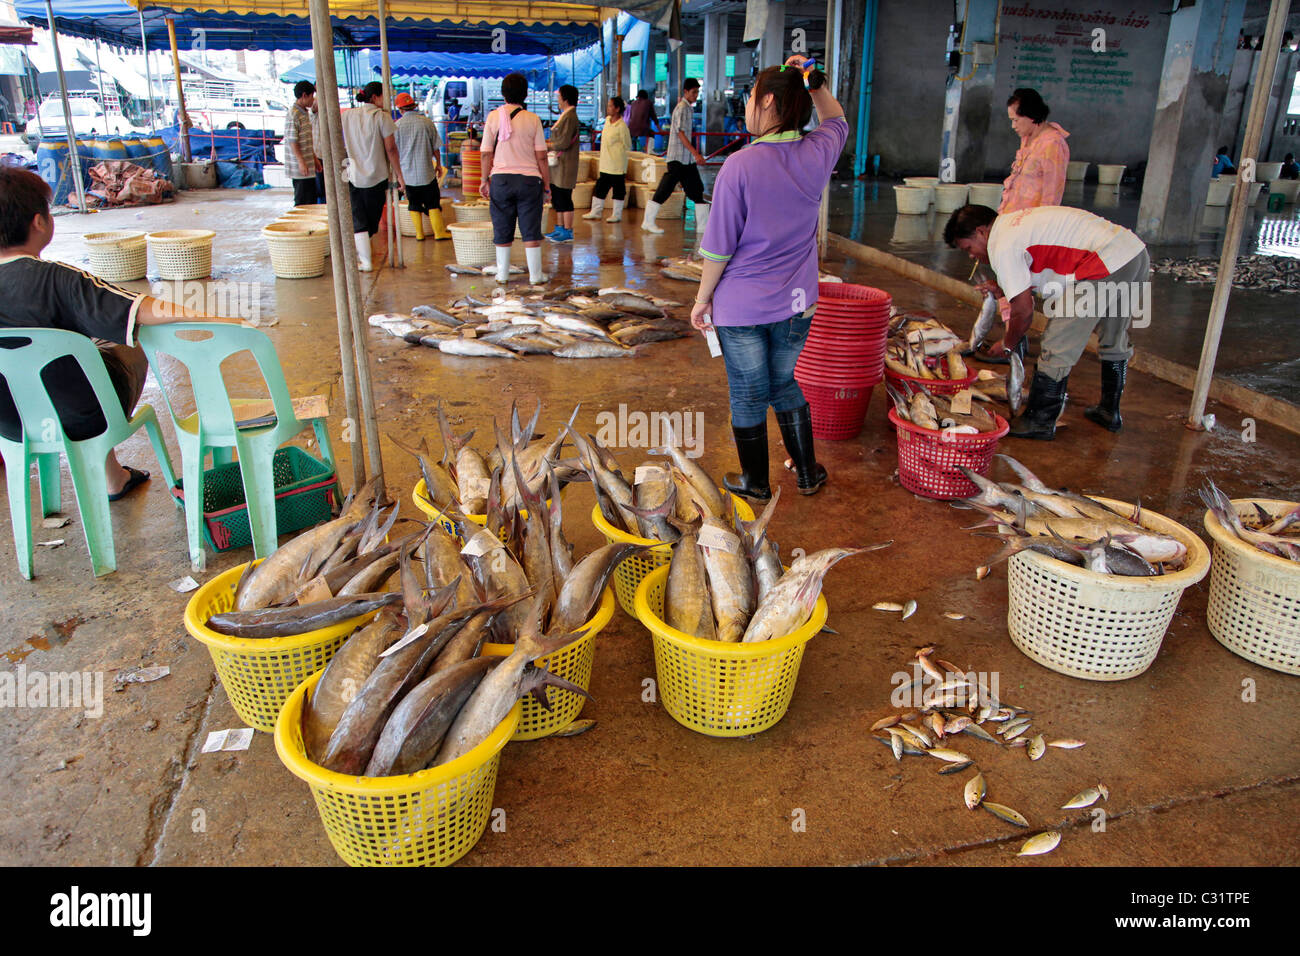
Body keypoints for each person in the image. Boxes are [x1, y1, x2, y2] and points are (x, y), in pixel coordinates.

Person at [0, 168, 238, 498]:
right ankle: (111, 473)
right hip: (84, 420)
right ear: (40, 222)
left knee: (70, 350)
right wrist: (214, 318)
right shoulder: (59, 279)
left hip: (10, 426)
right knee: (127, 340)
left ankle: (114, 475)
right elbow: (139, 308)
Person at [690, 56, 848, 499]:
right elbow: (836, 118)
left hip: (742, 308)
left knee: (747, 393)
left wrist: (703, 299)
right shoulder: (818, 151)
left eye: (751, 98)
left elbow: (719, 248)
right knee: (781, 382)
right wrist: (812, 78)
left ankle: (756, 483)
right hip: (799, 303)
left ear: (770, 102)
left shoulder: (740, 165)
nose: (747, 106)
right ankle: (808, 472)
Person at [943, 203, 1150, 440]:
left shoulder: (1002, 243)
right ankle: (1108, 411)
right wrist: (1002, 288)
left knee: (1058, 342)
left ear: (981, 232)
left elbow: (1023, 310)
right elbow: (1034, 274)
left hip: (1103, 262)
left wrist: (1009, 344)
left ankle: (1040, 419)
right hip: (1134, 253)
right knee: (1114, 337)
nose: (971, 256)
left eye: (968, 248)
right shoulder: (1015, 225)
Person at [479, 72, 550, 285]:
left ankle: (502, 274)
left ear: (503, 93)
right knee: (530, 228)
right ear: (526, 94)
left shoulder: (493, 117)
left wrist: (484, 179)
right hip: (529, 181)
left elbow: (485, 153)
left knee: (502, 226)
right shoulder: (533, 119)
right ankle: (536, 276)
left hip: (500, 180)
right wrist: (547, 185)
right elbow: (542, 157)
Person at [341, 81, 405, 272]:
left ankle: (365, 260)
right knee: (371, 219)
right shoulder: (382, 117)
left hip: (352, 174)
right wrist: (400, 177)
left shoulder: (348, 115)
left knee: (358, 217)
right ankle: (366, 258)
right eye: (385, 95)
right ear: (376, 97)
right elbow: (391, 149)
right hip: (376, 176)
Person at [643, 78, 709, 237]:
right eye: (693, 92)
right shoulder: (682, 109)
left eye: (697, 92)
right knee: (665, 188)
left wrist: (692, 155)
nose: (696, 95)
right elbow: (680, 133)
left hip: (686, 160)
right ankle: (648, 220)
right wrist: (696, 153)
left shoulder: (688, 109)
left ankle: (703, 228)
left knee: (696, 191)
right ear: (685, 92)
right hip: (677, 158)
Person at [999, 88, 1069, 214]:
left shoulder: (1053, 143)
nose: (1013, 126)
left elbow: (1052, 193)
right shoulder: (1027, 137)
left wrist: (1041, 223)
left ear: (1030, 116)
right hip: (1013, 215)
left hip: (1031, 219)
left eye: (1015, 120)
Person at [394, 92, 449, 241]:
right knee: (432, 202)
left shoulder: (396, 126)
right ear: (414, 106)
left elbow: (394, 152)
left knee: (414, 203)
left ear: (400, 110)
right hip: (427, 172)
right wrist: (438, 164)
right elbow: (436, 147)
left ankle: (419, 234)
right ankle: (439, 233)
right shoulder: (427, 122)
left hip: (407, 174)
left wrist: (397, 174)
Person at [583, 96, 632, 224]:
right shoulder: (607, 121)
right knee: (600, 187)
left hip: (617, 164)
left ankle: (617, 214)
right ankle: (596, 211)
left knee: (618, 189)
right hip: (605, 163)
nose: (608, 108)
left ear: (617, 109)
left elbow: (627, 144)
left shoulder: (622, 127)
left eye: (611, 106)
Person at [545, 85, 581, 243]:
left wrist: (548, 145)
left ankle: (567, 230)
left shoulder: (570, 117)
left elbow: (564, 141)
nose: (557, 100)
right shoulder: (566, 115)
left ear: (565, 98)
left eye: (559, 97)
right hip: (559, 164)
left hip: (566, 164)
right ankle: (559, 228)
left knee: (565, 196)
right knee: (557, 196)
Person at [283, 80, 321, 207]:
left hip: (308, 164)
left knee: (311, 199)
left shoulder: (304, 112)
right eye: (312, 96)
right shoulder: (293, 114)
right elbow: (292, 140)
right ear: (304, 95)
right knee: (302, 201)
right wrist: (301, 162)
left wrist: (314, 159)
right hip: (300, 169)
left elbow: (307, 140)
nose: (313, 100)